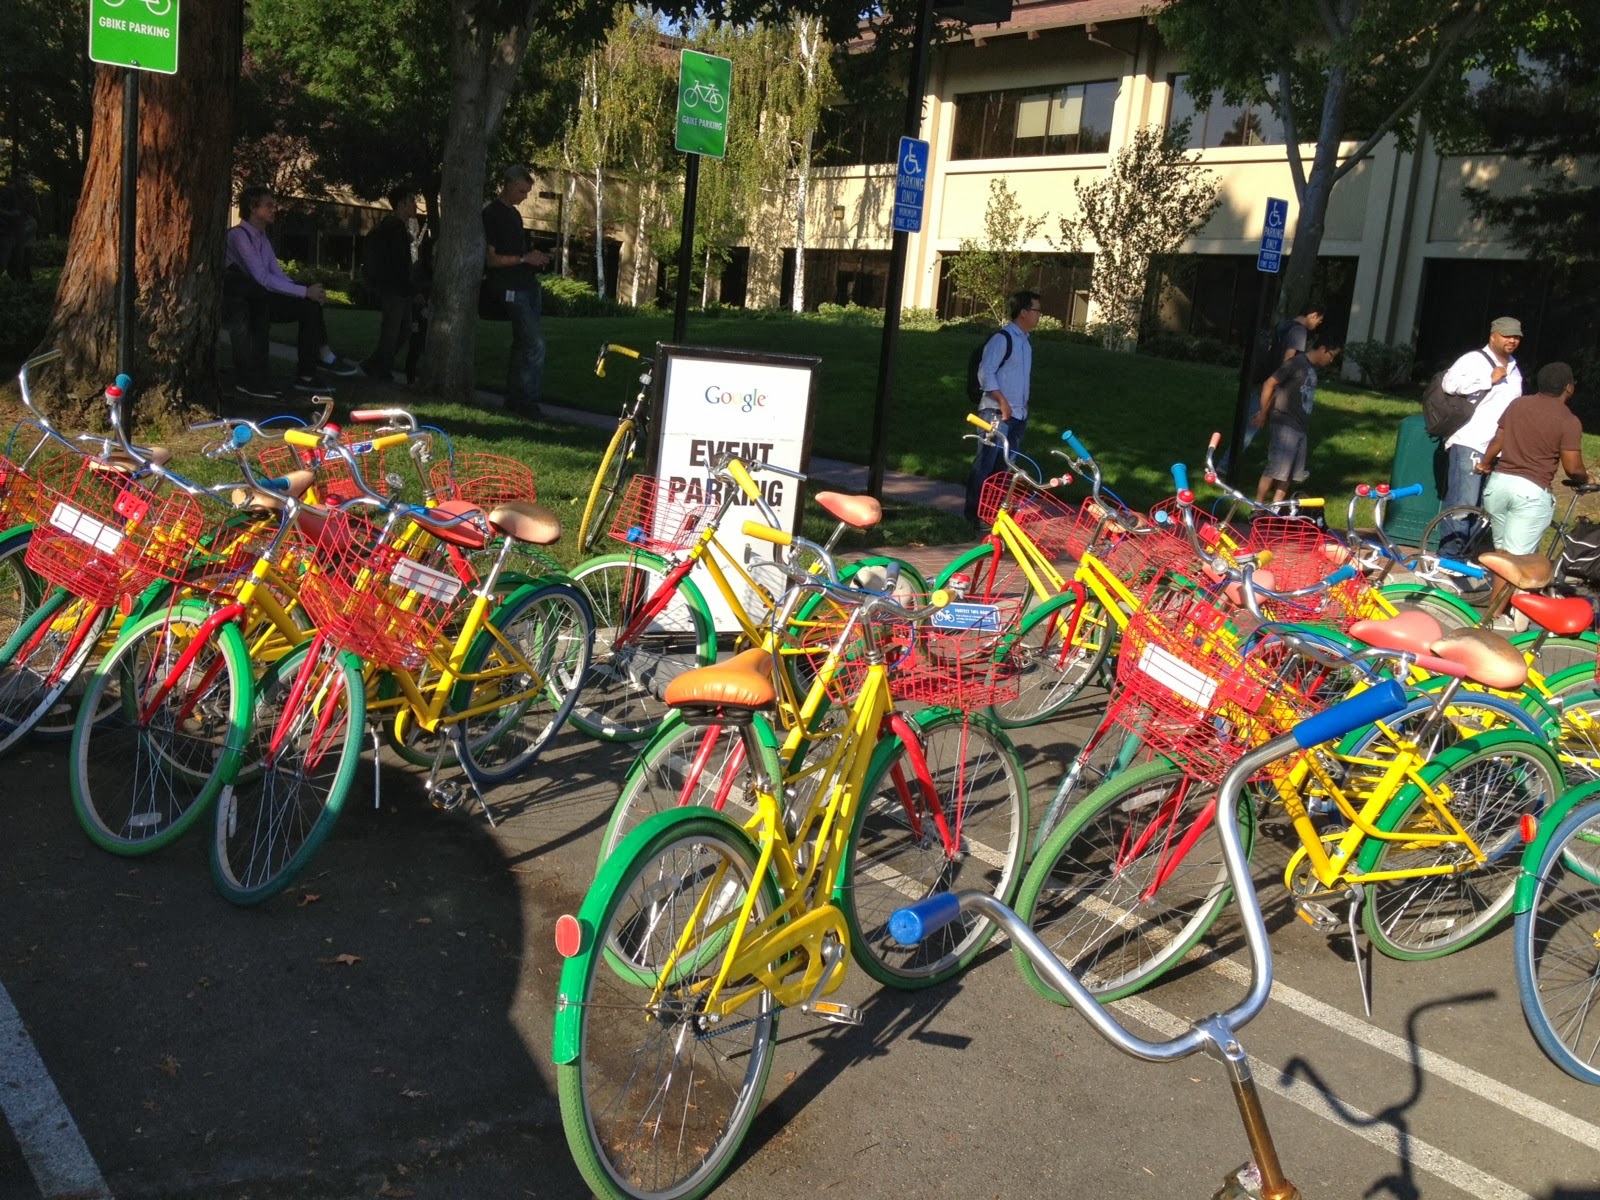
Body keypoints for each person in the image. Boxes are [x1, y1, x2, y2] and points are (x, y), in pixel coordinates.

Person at [224, 185, 361, 396]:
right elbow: (262, 278)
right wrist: (303, 292)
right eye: (269, 205)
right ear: (253, 207)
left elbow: (277, 274)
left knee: (311, 305)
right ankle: (319, 358)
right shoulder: (238, 236)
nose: (274, 209)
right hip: (248, 300)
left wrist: (306, 291)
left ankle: (310, 372)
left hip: (263, 296)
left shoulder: (262, 238)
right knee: (305, 298)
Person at [1436, 315, 1525, 565]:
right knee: (1462, 506)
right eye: (1507, 335)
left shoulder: (1515, 366)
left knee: (1485, 509)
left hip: (1497, 447)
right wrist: (1488, 379)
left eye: (1516, 336)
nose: (1512, 340)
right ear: (1493, 336)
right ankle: (1448, 559)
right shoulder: (1474, 360)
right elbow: (1449, 384)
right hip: (1470, 442)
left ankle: (1467, 556)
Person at [1474, 361, 1588, 555]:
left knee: (1502, 555)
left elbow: (1498, 439)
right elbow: (1573, 468)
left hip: (1499, 485)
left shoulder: (1518, 404)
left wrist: (1485, 463)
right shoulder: (1568, 420)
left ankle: (1503, 586)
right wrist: (1586, 479)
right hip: (1530, 492)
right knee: (1515, 563)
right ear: (1568, 387)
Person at [963, 289, 1042, 529]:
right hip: (996, 413)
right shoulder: (1003, 338)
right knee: (985, 464)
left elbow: (1017, 376)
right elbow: (985, 372)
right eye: (1037, 310)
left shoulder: (1025, 343)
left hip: (1018, 414)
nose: (1040, 315)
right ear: (1024, 312)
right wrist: (1003, 401)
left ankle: (993, 514)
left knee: (1004, 469)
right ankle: (973, 516)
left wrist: (1022, 402)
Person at [482, 166, 551, 417]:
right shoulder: (492, 214)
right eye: (522, 191)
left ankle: (514, 398)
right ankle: (528, 401)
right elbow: (491, 260)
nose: (524, 197)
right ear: (509, 185)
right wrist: (524, 259)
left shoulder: (514, 215)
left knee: (523, 344)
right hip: (510, 287)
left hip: (526, 284)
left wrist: (534, 259)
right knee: (535, 343)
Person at [1226, 304, 1326, 467]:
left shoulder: (1283, 324)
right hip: (1277, 383)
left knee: (1255, 424)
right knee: (1255, 423)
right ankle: (1226, 465)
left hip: (1263, 377)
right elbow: (1289, 358)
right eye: (1319, 321)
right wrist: (1285, 380)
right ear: (1313, 315)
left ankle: (1268, 464)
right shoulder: (1300, 331)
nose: (1317, 325)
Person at [1252, 343, 1341, 505]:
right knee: (1275, 469)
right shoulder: (1296, 363)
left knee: (1289, 473)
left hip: (1301, 426)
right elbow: (1270, 384)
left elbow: (1281, 390)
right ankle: (1257, 506)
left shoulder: (1313, 368)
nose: (1331, 361)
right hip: (1285, 422)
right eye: (1331, 355)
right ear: (1322, 348)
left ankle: (1275, 509)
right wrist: (1264, 412)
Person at [361, 187, 418, 382]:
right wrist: (409, 286)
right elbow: (398, 263)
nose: (415, 205)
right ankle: (381, 369)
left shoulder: (391, 227)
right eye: (412, 201)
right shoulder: (395, 228)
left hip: (395, 287)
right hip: (395, 288)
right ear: (401, 204)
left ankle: (375, 364)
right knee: (394, 330)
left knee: (401, 329)